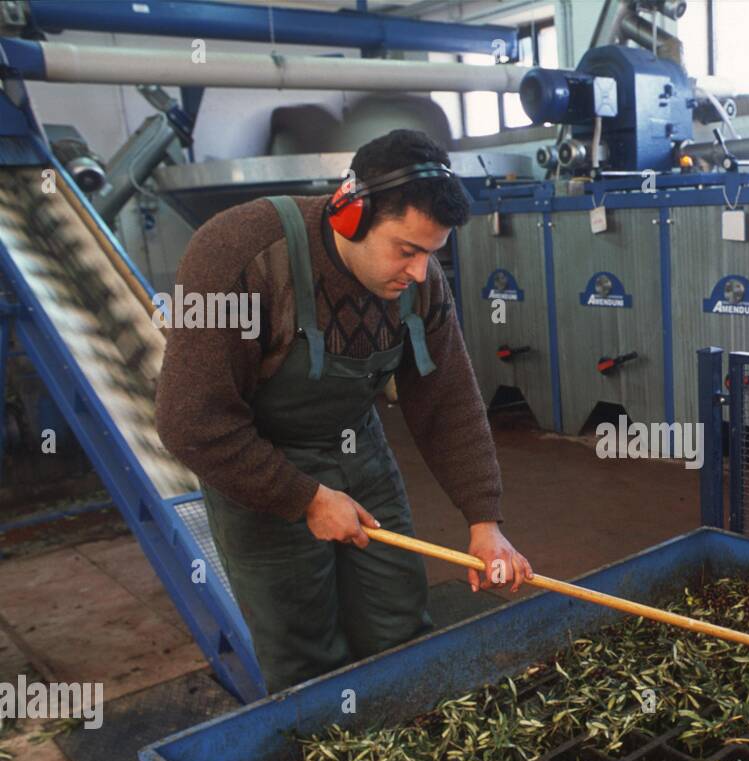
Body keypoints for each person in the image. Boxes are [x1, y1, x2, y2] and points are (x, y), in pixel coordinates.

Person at [156, 129, 531, 694]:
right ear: (349, 213)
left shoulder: (422, 284)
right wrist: (302, 497)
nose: (420, 273)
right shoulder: (240, 255)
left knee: (400, 623)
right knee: (303, 650)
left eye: (433, 253)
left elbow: (447, 401)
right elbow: (191, 422)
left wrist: (485, 522)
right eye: (406, 250)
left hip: (360, 452)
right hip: (261, 468)